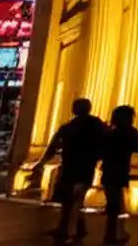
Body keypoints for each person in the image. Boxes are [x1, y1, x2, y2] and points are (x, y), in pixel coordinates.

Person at [35, 98, 105, 242]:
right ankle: (76, 228)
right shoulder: (97, 125)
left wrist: (41, 162)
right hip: (86, 167)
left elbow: (53, 146)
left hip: (71, 167)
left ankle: (66, 229)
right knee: (76, 200)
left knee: (69, 201)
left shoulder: (69, 127)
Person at [100, 105, 138, 245]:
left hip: (110, 170)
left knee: (113, 203)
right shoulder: (131, 132)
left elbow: (101, 150)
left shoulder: (110, 133)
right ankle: (114, 233)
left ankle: (111, 233)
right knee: (116, 203)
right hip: (120, 170)